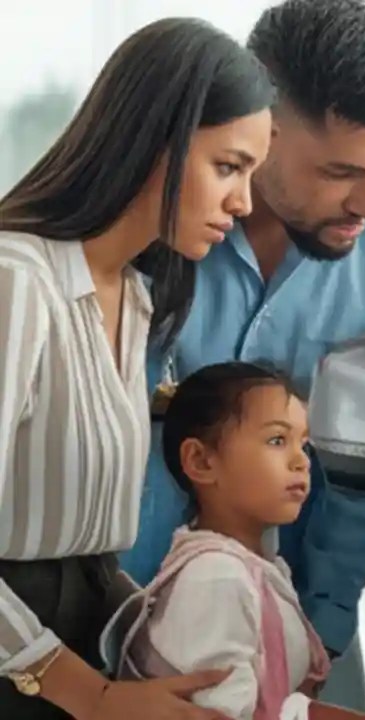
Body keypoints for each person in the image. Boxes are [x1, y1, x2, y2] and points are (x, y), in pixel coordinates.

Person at [120, 0, 365, 679]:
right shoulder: (151, 203)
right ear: (261, 128)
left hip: (294, 615)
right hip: (118, 614)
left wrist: (323, 624)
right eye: (340, 173)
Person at [0, 16, 276, 720]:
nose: (244, 203)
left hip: (82, 647)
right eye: (228, 167)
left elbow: (87, 554)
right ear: (157, 141)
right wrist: (90, 694)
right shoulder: (17, 280)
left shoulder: (138, 296)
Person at [106, 362, 365, 720]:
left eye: (303, 444)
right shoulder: (216, 579)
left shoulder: (254, 569)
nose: (301, 462)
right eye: (277, 440)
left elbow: (274, 707)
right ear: (201, 461)